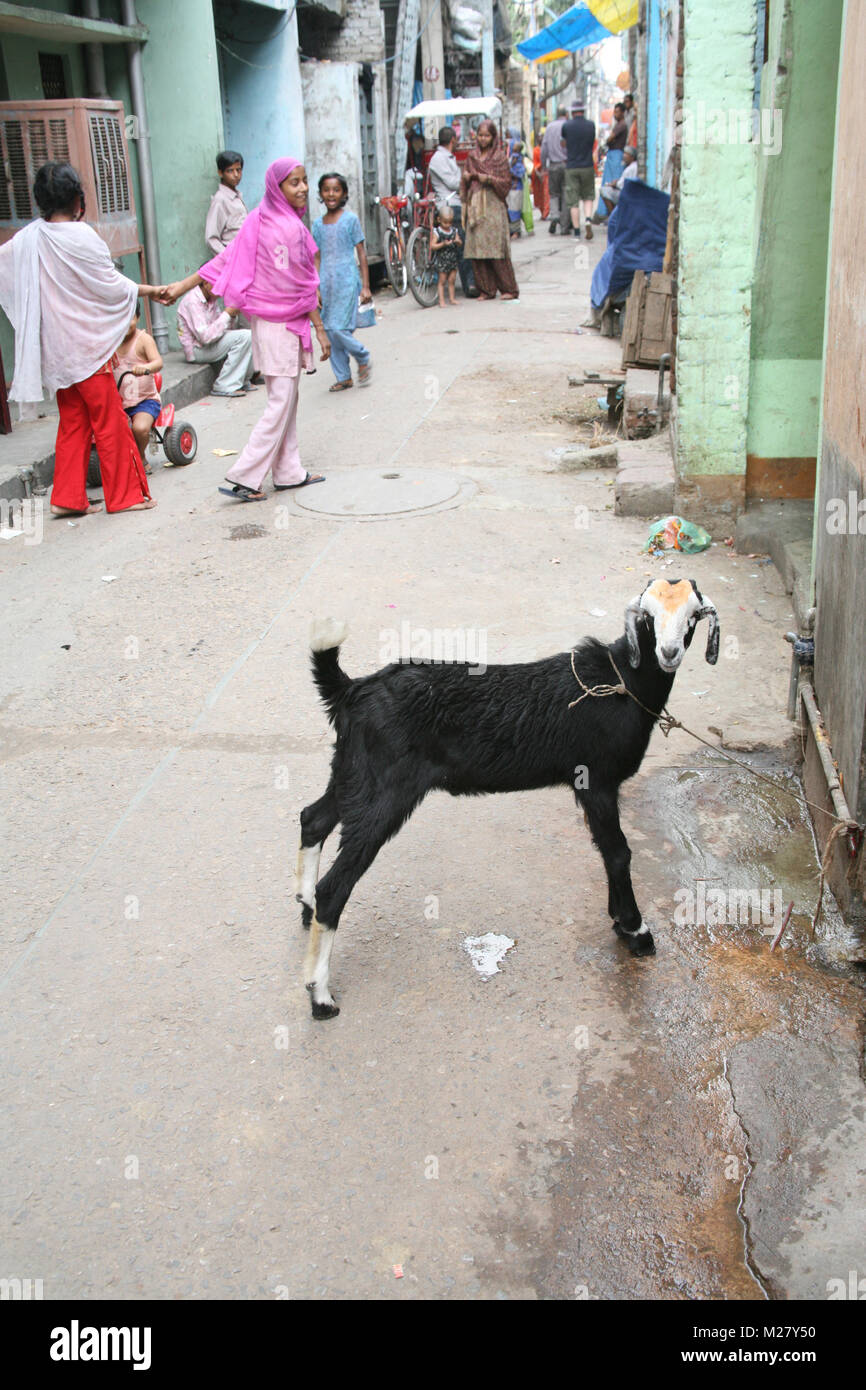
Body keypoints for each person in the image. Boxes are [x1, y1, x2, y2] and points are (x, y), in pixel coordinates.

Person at [161, 158, 330, 502]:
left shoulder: (257, 220)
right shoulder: (288, 228)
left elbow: (222, 262)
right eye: (294, 183)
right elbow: (301, 286)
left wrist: (181, 286)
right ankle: (245, 477)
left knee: (285, 400)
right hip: (283, 326)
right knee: (281, 402)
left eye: (304, 181)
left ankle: (288, 471)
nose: (303, 189)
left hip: (267, 326)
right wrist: (321, 330)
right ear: (276, 187)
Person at [0, 161, 157, 515]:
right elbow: (112, 286)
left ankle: (66, 499)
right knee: (110, 420)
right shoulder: (82, 236)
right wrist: (151, 290)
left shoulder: (26, 239)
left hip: (56, 354)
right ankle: (125, 497)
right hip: (89, 350)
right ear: (76, 199)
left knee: (73, 423)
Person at [311, 172, 372, 393]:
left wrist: (365, 285)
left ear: (344, 193)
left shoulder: (351, 220)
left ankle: (362, 354)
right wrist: (315, 287)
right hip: (326, 284)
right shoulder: (317, 225)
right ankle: (343, 376)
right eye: (326, 190)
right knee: (328, 328)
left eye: (336, 190)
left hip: (347, 281)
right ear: (320, 194)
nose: (331, 194)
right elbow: (316, 257)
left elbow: (362, 254)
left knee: (337, 328)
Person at [459, 119, 519, 301]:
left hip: (493, 204)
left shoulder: (499, 157)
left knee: (496, 248)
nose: (483, 139)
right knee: (477, 248)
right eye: (480, 135)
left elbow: (506, 182)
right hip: (476, 204)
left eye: (487, 135)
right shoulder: (472, 157)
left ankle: (509, 289)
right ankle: (486, 289)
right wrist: (467, 180)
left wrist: (488, 179)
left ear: (493, 137)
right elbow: (464, 180)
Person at [176, 279, 255, 398]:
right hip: (197, 350)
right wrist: (227, 314)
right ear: (206, 284)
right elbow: (205, 337)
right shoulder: (192, 301)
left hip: (209, 344)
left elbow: (221, 330)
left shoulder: (211, 300)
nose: (222, 288)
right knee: (245, 336)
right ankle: (224, 385)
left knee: (250, 335)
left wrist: (231, 316)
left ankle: (243, 380)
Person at [112, 304, 163, 471]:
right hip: (119, 402)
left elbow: (158, 362)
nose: (126, 323)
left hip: (144, 400)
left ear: (138, 318)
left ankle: (140, 456)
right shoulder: (111, 342)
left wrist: (146, 368)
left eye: (130, 318)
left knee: (139, 428)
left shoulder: (143, 339)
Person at [428, 126, 476, 296]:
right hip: (448, 206)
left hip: (455, 203)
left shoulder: (447, 157)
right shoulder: (439, 159)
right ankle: (470, 283)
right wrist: (465, 178)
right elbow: (453, 183)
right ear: (453, 140)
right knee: (461, 243)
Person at [561, 100, 597, 241]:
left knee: (573, 201)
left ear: (572, 112)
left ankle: (577, 232)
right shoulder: (591, 125)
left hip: (572, 166)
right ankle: (588, 219)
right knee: (588, 196)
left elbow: (563, 143)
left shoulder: (567, 126)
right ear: (583, 111)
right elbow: (592, 142)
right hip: (587, 165)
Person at [205, 150, 247, 256]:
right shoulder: (221, 199)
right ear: (220, 173)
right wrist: (229, 259)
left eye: (238, 170)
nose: (236, 175)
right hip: (233, 261)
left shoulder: (237, 197)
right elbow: (211, 239)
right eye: (230, 171)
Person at [593, 102, 628, 222]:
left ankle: (611, 214)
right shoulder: (619, 124)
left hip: (616, 155)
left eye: (617, 112)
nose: (615, 114)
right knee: (609, 183)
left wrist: (607, 141)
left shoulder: (621, 125)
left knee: (613, 183)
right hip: (614, 155)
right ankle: (608, 213)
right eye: (615, 112)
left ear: (623, 112)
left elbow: (610, 138)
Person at [540, 107, 568, 235]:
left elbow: (544, 147)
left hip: (553, 165)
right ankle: (564, 225)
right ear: (566, 115)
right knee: (565, 193)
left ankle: (555, 215)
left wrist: (543, 165)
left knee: (554, 193)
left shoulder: (550, 127)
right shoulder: (568, 125)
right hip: (567, 164)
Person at [430, 205, 462, 307]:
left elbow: (459, 242)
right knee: (442, 281)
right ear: (439, 220)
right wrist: (442, 244)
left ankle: (452, 298)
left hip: (452, 259)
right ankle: (442, 300)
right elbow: (432, 245)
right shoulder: (438, 232)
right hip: (442, 260)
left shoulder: (454, 230)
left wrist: (457, 241)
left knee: (452, 280)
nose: (447, 225)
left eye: (450, 222)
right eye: (445, 222)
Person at [599, 145, 639, 214]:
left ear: (632, 157)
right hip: (629, 193)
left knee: (604, 190)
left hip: (628, 195)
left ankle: (614, 215)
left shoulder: (631, 168)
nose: (624, 156)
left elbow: (622, 185)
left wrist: (614, 184)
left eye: (626, 154)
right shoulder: (632, 166)